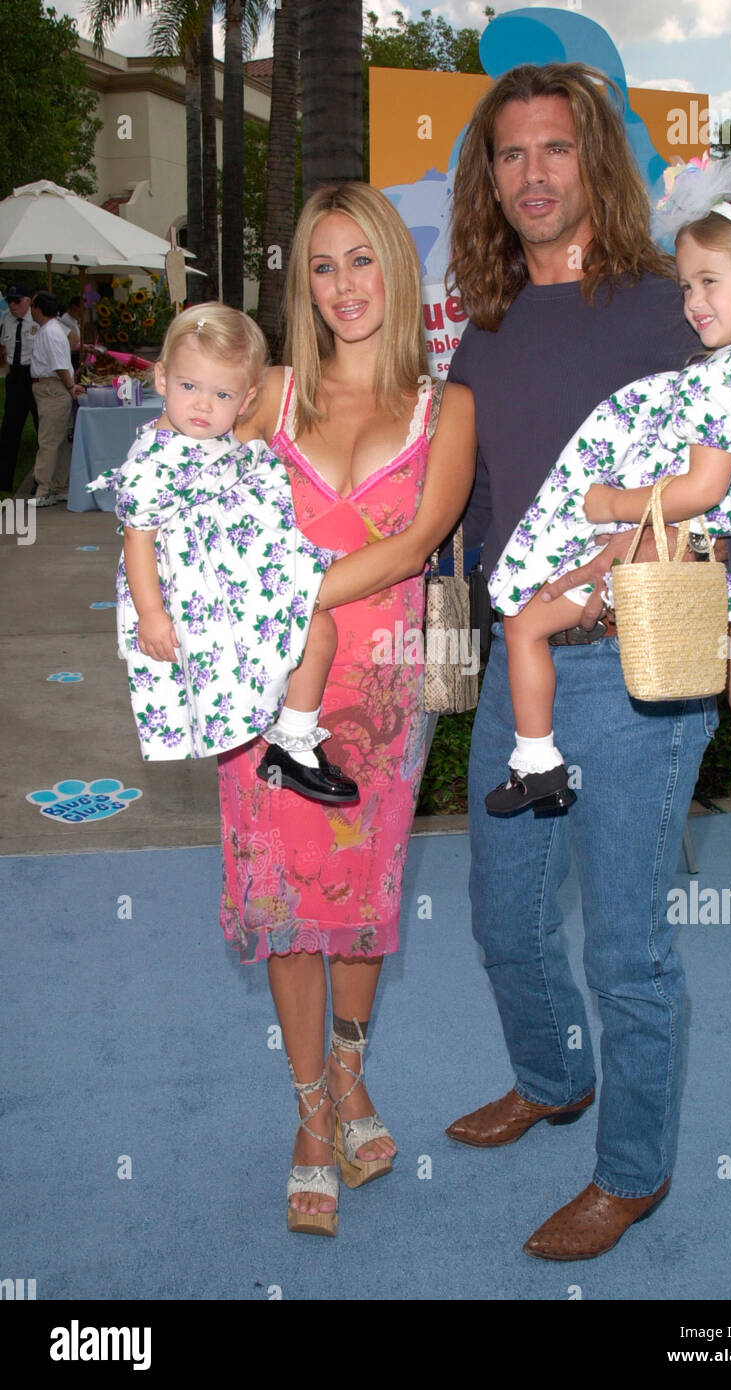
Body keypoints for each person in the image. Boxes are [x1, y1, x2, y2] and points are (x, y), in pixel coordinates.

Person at [442, 62, 731, 1261]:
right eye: (510, 154)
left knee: (627, 947)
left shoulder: (675, 303)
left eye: (555, 148)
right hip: (521, 670)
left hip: (644, 669)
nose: (532, 174)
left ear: (596, 161)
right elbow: (477, 499)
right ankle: (553, 1079)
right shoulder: (487, 322)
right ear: (490, 177)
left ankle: (633, 1175)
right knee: (504, 920)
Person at [221, 182, 475, 1236]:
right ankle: (314, 1115)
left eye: (361, 261)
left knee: (367, 894)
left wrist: (290, 588)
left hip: (384, 693)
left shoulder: (445, 407)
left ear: (396, 269)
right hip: (271, 693)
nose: (342, 286)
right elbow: (199, 509)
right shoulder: (265, 392)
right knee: (285, 899)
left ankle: (350, 1074)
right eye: (321, 266)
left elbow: (415, 545)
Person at [486, 159, 731, 838]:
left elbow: (700, 488)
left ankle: (536, 761)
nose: (692, 303)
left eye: (709, 282)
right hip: (726, 550)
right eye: (687, 285)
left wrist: (610, 504)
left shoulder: (722, 384)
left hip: (677, 538)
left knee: (524, 621)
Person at [86, 301, 358, 803]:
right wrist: (150, 614)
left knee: (315, 630)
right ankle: (293, 743)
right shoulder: (153, 460)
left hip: (234, 572)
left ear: (247, 398)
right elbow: (137, 539)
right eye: (189, 386)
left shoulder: (217, 439)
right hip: (199, 596)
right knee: (308, 631)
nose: (202, 406)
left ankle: (292, 741)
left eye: (222, 393)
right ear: (163, 378)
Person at [29, 291, 85, 506]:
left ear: (38, 308)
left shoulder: (51, 332)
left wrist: (70, 386)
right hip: (52, 387)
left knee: (49, 440)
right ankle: (61, 486)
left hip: (52, 387)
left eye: (33, 306)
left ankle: (44, 490)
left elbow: (60, 365)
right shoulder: (52, 330)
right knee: (59, 440)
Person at [0, 283, 39, 493]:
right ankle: (4, 480)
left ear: (28, 301)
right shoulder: (8, 321)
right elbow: (5, 349)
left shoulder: (38, 321)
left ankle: (41, 479)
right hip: (15, 376)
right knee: (9, 430)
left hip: (33, 375)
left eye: (17, 300)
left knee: (42, 428)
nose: (13, 305)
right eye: (9, 301)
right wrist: (7, 372)